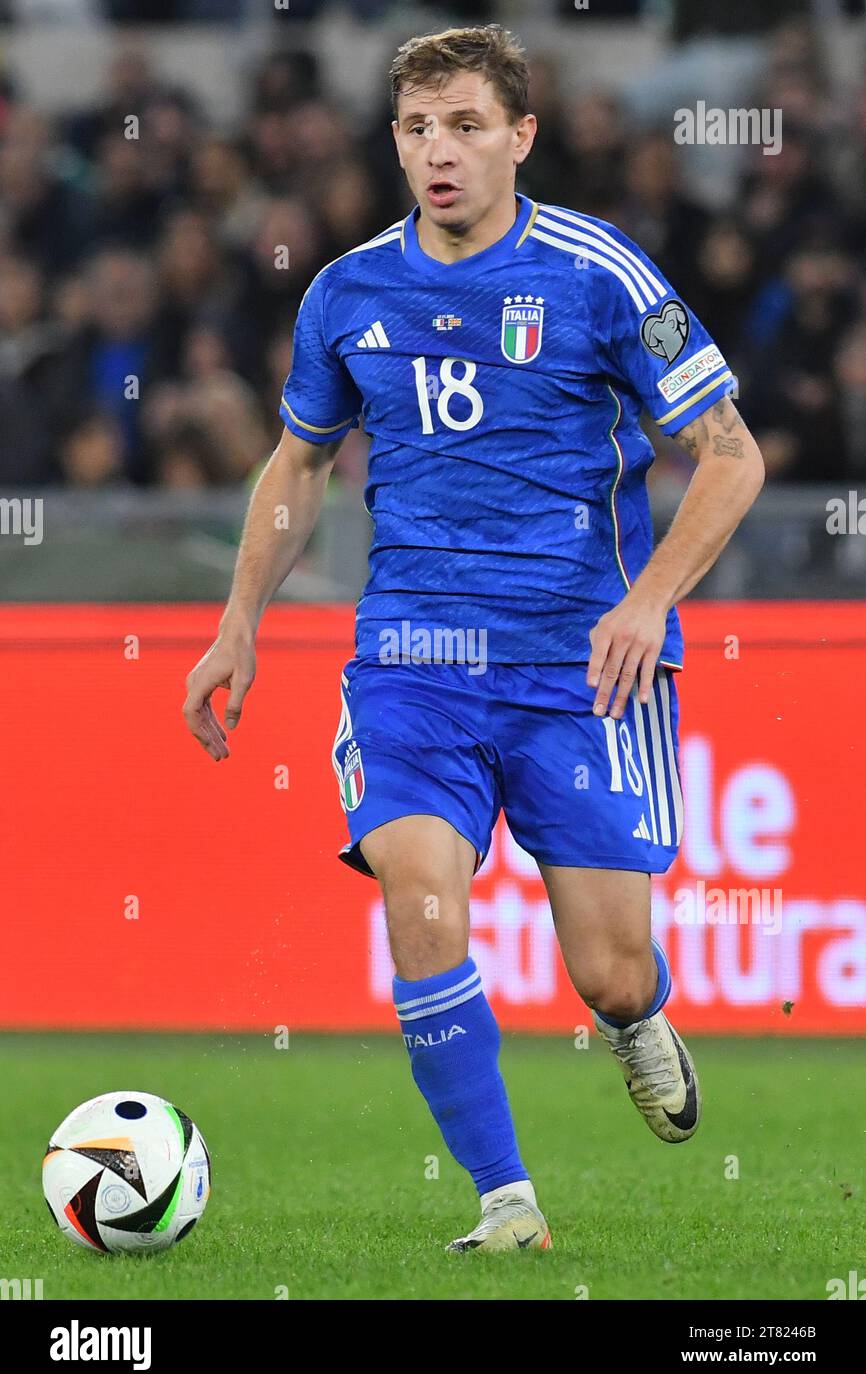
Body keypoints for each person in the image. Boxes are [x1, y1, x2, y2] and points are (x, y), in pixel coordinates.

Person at [183, 25, 765, 1254]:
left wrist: (650, 596)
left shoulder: (596, 272)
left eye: (461, 125)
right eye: (413, 129)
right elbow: (297, 464)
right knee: (420, 897)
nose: (435, 152)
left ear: (520, 137)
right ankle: (507, 1202)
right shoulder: (346, 290)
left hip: (577, 667)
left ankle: (636, 1014)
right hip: (409, 663)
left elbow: (728, 454)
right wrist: (238, 622)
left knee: (605, 971)